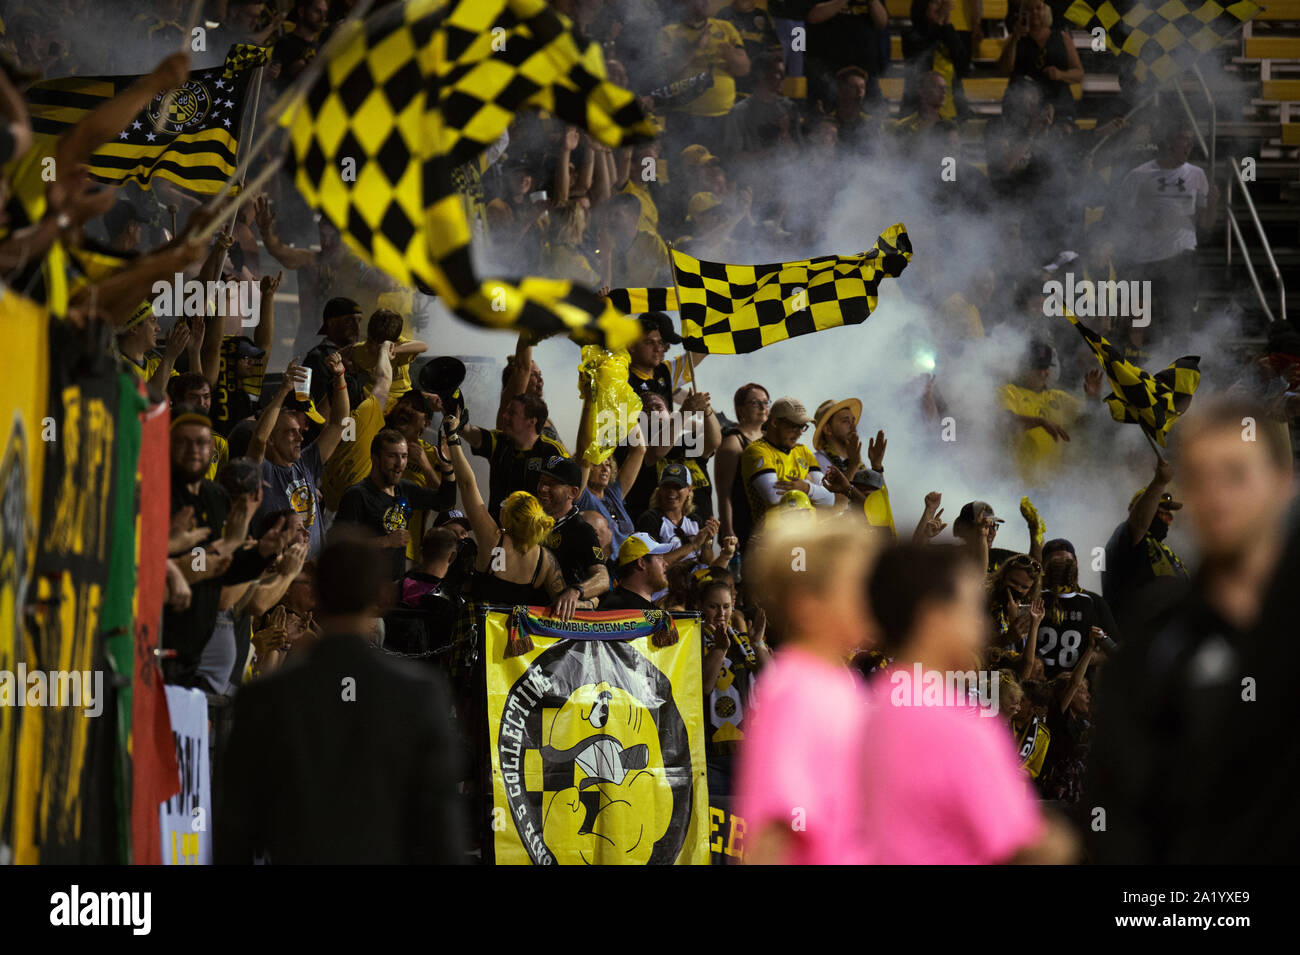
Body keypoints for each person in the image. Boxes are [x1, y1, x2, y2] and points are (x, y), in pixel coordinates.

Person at [1090, 398, 1295, 863]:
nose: (1217, 496)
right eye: (1200, 479)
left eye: (1236, 475)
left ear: (1284, 485)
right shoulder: (1157, 634)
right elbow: (1121, 809)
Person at [215, 537, 466, 863]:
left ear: (318, 592)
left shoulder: (264, 698)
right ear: (384, 597)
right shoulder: (420, 694)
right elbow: (442, 836)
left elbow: (234, 834)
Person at [860, 543, 1078, 863]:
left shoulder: (867, 705)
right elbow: (1024, 846)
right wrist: (1065, 841)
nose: (980, 625)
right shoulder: (964, 730)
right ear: (933, 618)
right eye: (970, 610)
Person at [738, 521, 877, 864]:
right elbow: (774, 831)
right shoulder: (793, 690)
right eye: (855, 587)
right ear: (808, 605)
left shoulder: (841, 684)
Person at [162, 411, 283, 687]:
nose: (194, 450)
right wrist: (226, 546)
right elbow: (189, 564)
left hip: (198, 649)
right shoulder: (161, 494)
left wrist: (260, 554)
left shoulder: (214, 496)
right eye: (184, 442)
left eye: (202, 443)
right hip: (163, 638)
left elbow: (220, 569)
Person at [442, 411, 571, 613]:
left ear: (508, 516)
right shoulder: (545, 559)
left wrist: (453, 439)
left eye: (506, 504)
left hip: (481, 637)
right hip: (516, 641)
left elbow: (467, 485)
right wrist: (588, 601)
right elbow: (563, 601)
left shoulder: (493, 540)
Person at [1115, 122, 1220, 343]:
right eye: (1185, 139)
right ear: (1169, 142)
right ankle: (1140, 364)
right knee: (1138, 320)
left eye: (1191, 142)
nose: (1189, 145)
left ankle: (1176, 365)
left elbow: (1207, 223)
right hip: (1145, 257)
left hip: (1182, 255)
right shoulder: (1139, 175)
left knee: (1179, 317)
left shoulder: (1196, 174)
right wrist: (1146, 223)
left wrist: (1212, 204)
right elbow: (1120, 216)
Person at [249, 355, 351, 557]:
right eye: (290, 432)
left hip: (312, 570)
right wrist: (283, 391)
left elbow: (340, 423)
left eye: (300, 432)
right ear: (272, 438)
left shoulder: (306, 462)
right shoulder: (259, 471)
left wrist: (340, 377)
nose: (300, 438)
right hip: (277, 571)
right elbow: (259, 439)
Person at [333, 429, 457, 583]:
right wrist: (385, 542)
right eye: (392, 456)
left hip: (392, 588)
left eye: (404, 456)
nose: (400, 464)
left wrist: (447, 468)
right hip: (362, 587)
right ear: (375, 458)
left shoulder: (404, 489)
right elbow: (339, 546)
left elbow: (445, 502)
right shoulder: (357, 495)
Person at [699, 577, 770, 810]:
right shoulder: (692, 640)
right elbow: (702, 688)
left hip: (749, 755)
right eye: (713, 606)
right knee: (718, 823)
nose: (721, 613)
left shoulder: (742, 640)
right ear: (700, 606)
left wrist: (758, 643)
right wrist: (719, 649)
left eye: (726, 606)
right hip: (710, 756)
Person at [1101, 457, 1190, 638]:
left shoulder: (1163, 549)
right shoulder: (1125, 538)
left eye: (1170, 516)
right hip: (1135, 641)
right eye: (1161, 513)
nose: (1168, 520)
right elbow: (1138, 523)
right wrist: (1159, 483)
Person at [1000, 339, 1104, 484]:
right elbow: (1006, 422)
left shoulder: (1059, 398)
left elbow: (1087, 424)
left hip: (1052, 488)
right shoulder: (1009, 392)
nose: (1044, 373)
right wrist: (1040, 422)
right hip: (1017, 486)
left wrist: (1093, 399)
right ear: (1024, 366)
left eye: (1046, 367)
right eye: (1038, 367)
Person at [461, 393, 568, 519]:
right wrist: (458, 421)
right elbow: (472, 434)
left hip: (534, 534)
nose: (504, 416)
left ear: (531, 421)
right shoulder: (500, 441)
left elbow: (571, 491)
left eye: (512, 413)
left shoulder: (552, 451)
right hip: (497, 531)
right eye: (506, 412)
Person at [740, 396, 834, 524]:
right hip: (771, 536)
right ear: (774, 423)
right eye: (795, 426)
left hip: (810, 533)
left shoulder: (803, 451)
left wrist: (806, 487)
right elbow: (774, 497)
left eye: (803, 427)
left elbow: (830, 498)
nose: (800, 432)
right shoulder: (756, 451)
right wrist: (811, 487)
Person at [1037, 537, 1120, 677]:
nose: (1062, 566)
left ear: (1075, 563)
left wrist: (1090, 657)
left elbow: (1118, 651)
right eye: (1055, 563)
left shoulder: (1093, 601)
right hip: (1037, 686)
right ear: (1044, 566)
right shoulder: (1035, 599)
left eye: (1067, 562)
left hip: (1080, 689)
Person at [714, 382, 768, 552]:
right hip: (743, 524)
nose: (762, 407)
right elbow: (724, 494)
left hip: (769, 525)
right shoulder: (732, 442)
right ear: (741, 409)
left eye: (766, 402)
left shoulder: (771, 439)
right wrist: (728, 531)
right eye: (755, 402)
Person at [341, 308, 428, 410]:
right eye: (370, 342)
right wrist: (346, 363)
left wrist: (394, 349)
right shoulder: (359, 350)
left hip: (402, 400)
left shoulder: (399, 346)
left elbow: (423, 346)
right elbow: (337, 355)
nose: (372, 348)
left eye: (378, 345)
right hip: (375, 401)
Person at [599, 533, 676, 610]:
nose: (666, 564)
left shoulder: (611, 602)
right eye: (659, 557)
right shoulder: (623, 609)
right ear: (642, 563)